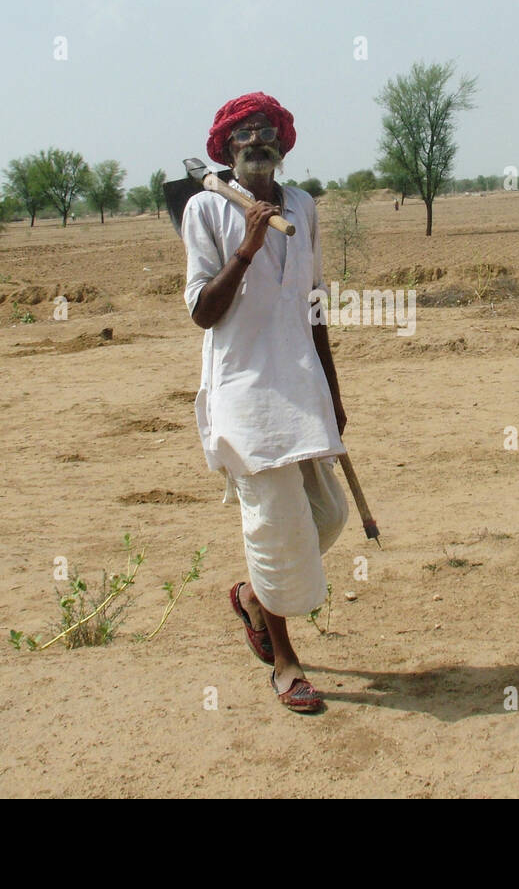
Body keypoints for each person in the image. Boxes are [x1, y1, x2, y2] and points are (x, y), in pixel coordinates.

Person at [181, 91, 349, 714]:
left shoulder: (303, 207)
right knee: (277, 523)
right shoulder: (206, 209)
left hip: (300, 384)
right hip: (244, 392)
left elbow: (313, 300)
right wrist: (246, 246)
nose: (258, 140)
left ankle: (254, 595)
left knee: (327, 517)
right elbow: (203, 312)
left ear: (282, 144)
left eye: (267, 131)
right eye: (245, 133)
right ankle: (285, 662)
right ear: (226, 149)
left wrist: (332, 386)